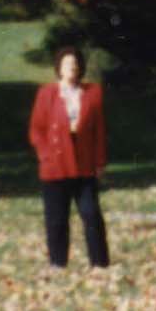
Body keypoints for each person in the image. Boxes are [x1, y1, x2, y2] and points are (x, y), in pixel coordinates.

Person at [27, 44, 110, 268]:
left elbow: (99, 131)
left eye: (74, 64)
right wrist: (45, 156)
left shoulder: (93, 93)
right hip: (55, 164)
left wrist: (100, 162)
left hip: (84, 164)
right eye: (66, 64)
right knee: (56, 219)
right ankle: (57, 263)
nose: (71, 68)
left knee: (91, 215)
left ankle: (100, 263)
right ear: (59, 68)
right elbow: (36, 130)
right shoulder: (47, 94)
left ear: (80, 67)